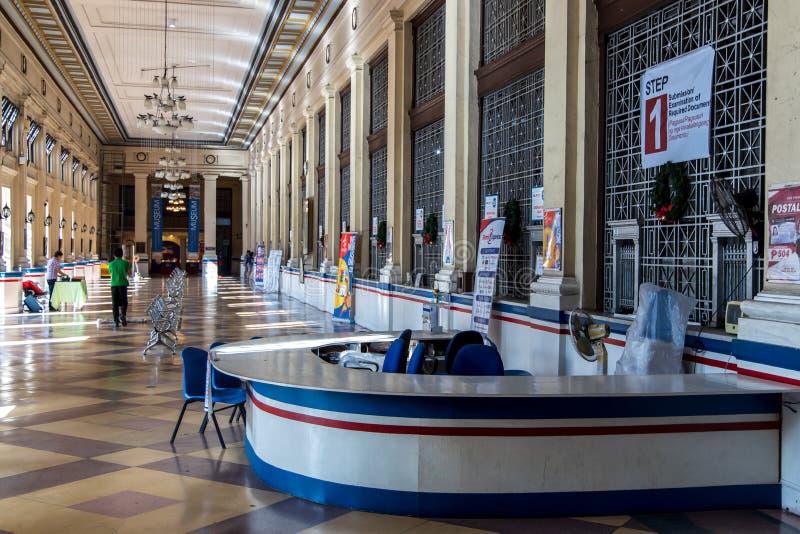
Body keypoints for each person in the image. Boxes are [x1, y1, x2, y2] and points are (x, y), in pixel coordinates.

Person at [108, 248, 132, 327]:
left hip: (114, 284)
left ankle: (116, 320)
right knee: (124, 302)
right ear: (122, 255)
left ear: (114, 255)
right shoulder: (126, 263)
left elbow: (111, 273)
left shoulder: (111, 264)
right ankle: (123, 315)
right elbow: (129, 274)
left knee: (115, 303)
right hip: (123, 284)